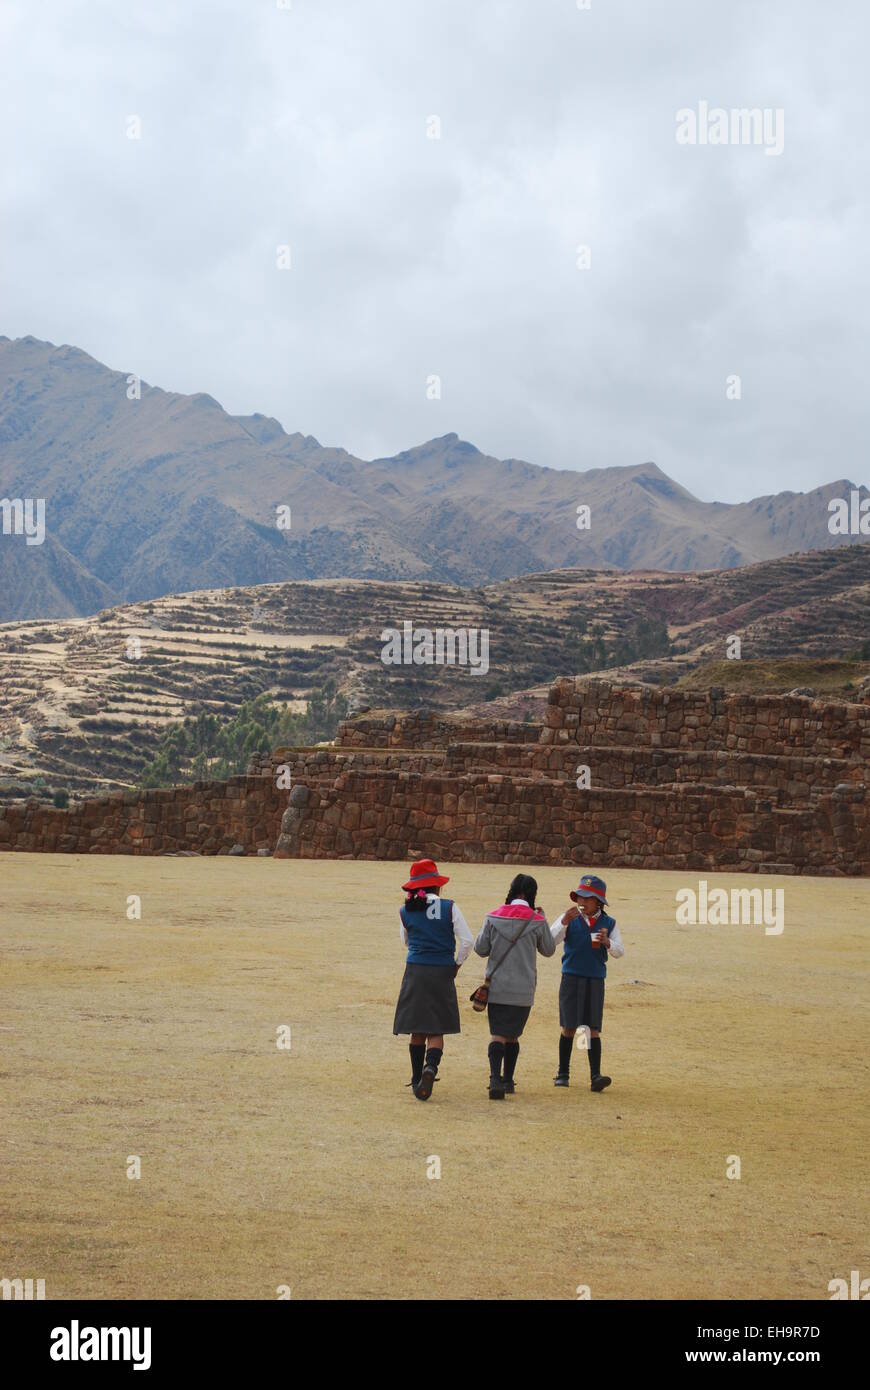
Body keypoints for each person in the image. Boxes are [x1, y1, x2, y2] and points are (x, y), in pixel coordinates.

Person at [393, 858, 473, 1100]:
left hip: (416, 969)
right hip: (442, 969)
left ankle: (418, 1078)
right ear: (437, 886)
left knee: (416, 1028)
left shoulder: (405, 910)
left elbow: (405, 941)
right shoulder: (449, 907)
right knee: (436, 1028)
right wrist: (456, 964)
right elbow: (467, 941)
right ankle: (431, 1067)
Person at [473, 873, 555, 1099]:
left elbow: (480, 949)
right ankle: (508, 1081)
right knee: (513, 1035)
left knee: (497, 1034)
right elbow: (548, 950)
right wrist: (545, 920)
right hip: (523, 989)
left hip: (497, 987)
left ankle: (494, 1079)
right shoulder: (536, 921)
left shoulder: (492, 916)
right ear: (532, 894)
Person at [549, 873, 624, 1092]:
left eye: (587, 898)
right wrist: (563, 922)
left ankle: (595, 1075)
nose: (581, 902)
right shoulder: (568, 918)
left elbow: (620, 951)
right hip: (571, 977)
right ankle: (563, 1073)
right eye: (579, 896)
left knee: (593, 1028)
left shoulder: (609, 923)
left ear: (598, 902)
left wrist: (607, 942)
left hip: (595, 979)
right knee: (569, 1027)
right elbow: (550, 942)